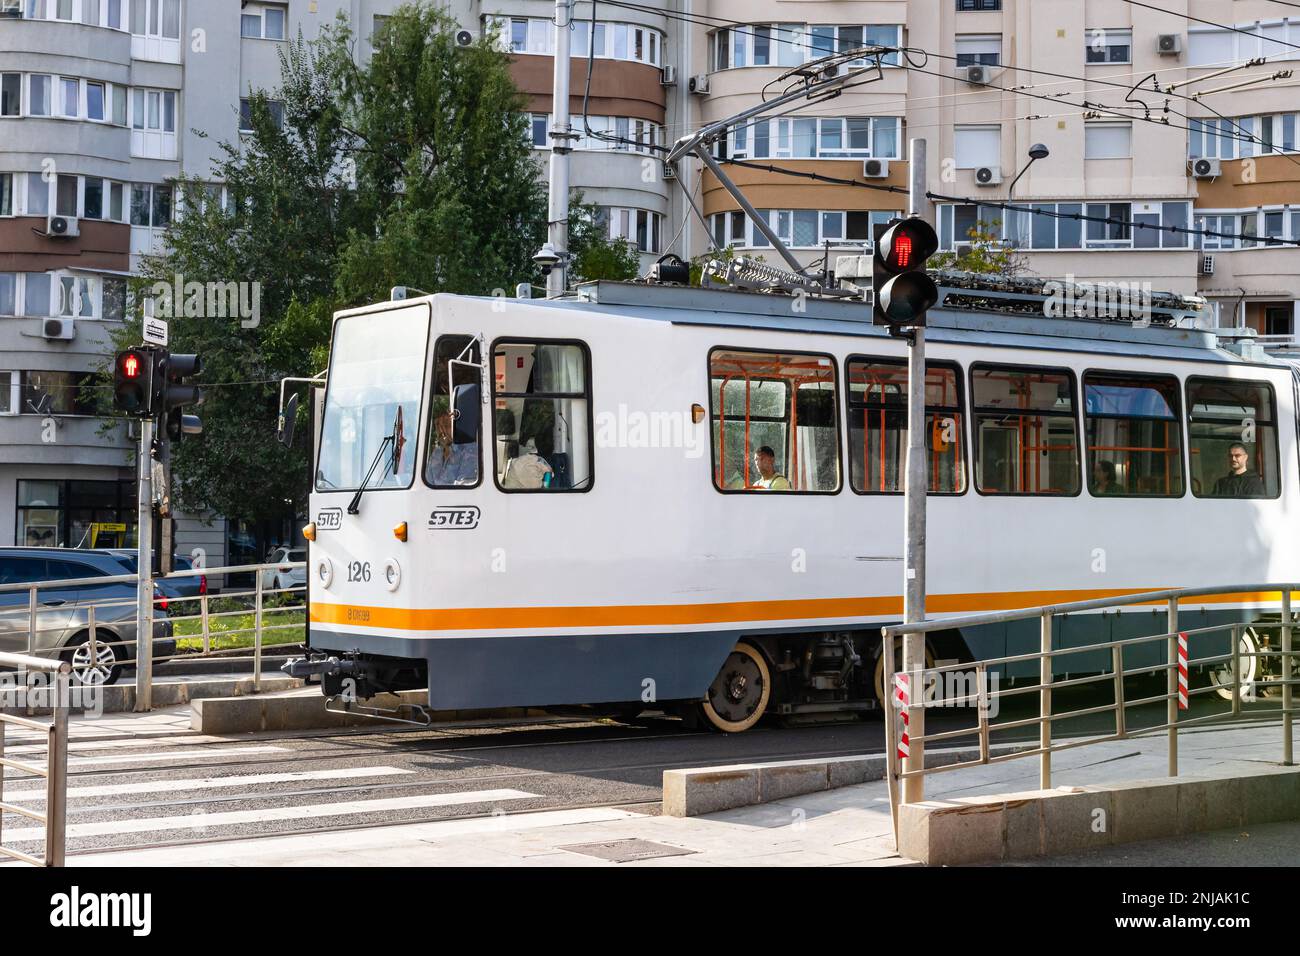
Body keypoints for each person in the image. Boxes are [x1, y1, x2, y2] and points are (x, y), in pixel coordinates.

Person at [425, 410, 478, 486]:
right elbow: (427, 484)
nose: (441, 431)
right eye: (437, 425)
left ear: (456, 426)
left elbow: (464, 489)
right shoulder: (436, 453)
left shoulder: (469, 450)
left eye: (446, 425)